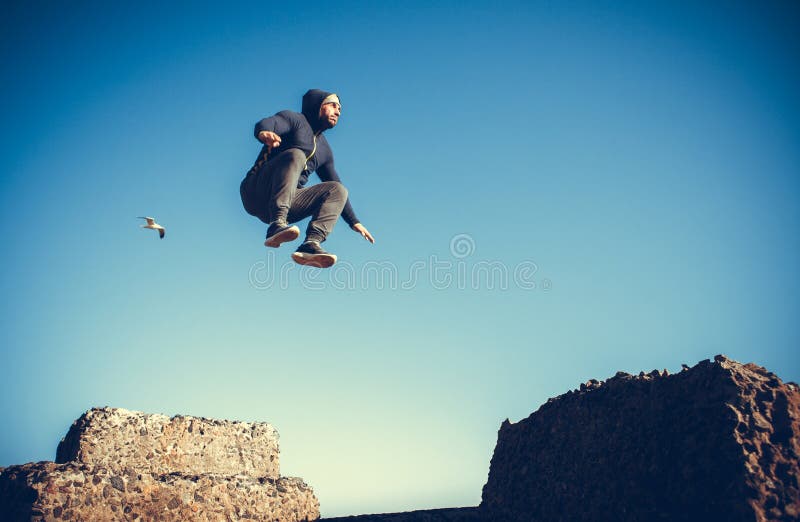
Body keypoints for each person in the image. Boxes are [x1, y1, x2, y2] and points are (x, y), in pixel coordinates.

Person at [240, 89, 374, 268]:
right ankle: (277, 223)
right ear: (318, 105)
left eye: (340, 109)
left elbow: (337, 184)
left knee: (337, 190)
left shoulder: (324, 150)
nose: (338, 111)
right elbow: (269, 122)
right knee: (296, 155)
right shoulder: (294, 120)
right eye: (333, 105)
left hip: (286, 200)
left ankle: (311, 245)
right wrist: (264, 133)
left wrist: (354, 221)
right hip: (256, 191)